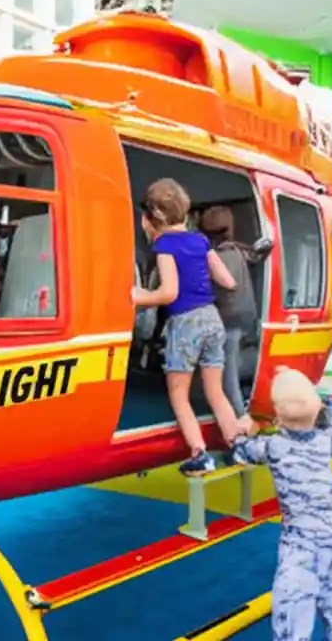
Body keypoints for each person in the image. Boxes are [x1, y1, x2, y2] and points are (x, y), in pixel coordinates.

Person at [230, 366, 332, 641]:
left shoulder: (273, 447)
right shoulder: (324, 435)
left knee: (293, 600)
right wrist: (296, 377)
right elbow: (326, 410)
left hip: (302, 540)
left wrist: (243, 431)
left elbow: (241, 451)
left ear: (277, 417)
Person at [132, 178, 249, 476]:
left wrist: (138, 296)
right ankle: (237, 445)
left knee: (178, 394)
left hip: (185, 323)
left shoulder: (164, 245)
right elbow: (228, 281)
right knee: (216, 391)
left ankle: (200, 454)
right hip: (212, 318)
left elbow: (168, 292)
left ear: (152, 218)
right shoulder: (200, 241)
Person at [200, 205, 273, 416]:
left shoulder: (214, 257)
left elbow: (222, 284)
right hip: (247, 314)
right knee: (232, 365)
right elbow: (260, 253)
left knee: (227, 376)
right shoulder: (238, 251)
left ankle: (239, 419)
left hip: (228, 318)